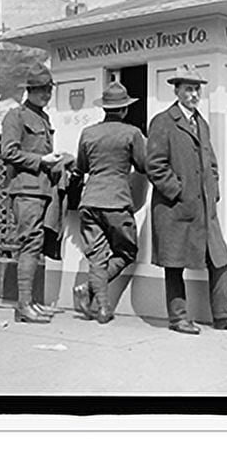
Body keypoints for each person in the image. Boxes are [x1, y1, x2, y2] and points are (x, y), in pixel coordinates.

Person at [145, 65, 227, 335]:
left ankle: (223, 315)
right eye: (188, 89)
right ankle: (178, 318)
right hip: (175, 209)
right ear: (177, 90)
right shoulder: (163, 121)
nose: (193, 94)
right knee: (174, 263)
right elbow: (155, 165)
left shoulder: (201, 123)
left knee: (220, 260)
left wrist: (212, 189)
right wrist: (178, 191)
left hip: (204, 209)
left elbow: (211, 163)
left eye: (197, 89)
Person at [1, 63, 72, 324]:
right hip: (26, 190)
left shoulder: (43, 118)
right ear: (29, 90)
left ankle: (30, 302)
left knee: (37, 245)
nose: (46, 94)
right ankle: (23, 307)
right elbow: (8, 152)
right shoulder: (15, 116)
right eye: (40, 89)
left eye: (48, 89)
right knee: (29, 243)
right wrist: (42, 161)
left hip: (43, 190)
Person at [72, 82, 147, 324]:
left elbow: (80, 168)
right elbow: (144, 166)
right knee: (126, 253)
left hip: (90, 201)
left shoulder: (88, 133)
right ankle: (92, 294)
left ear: (104, 108)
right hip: (117, 202)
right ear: (124, 109)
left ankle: (101, 305)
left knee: (96, 256)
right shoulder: (132, 133)